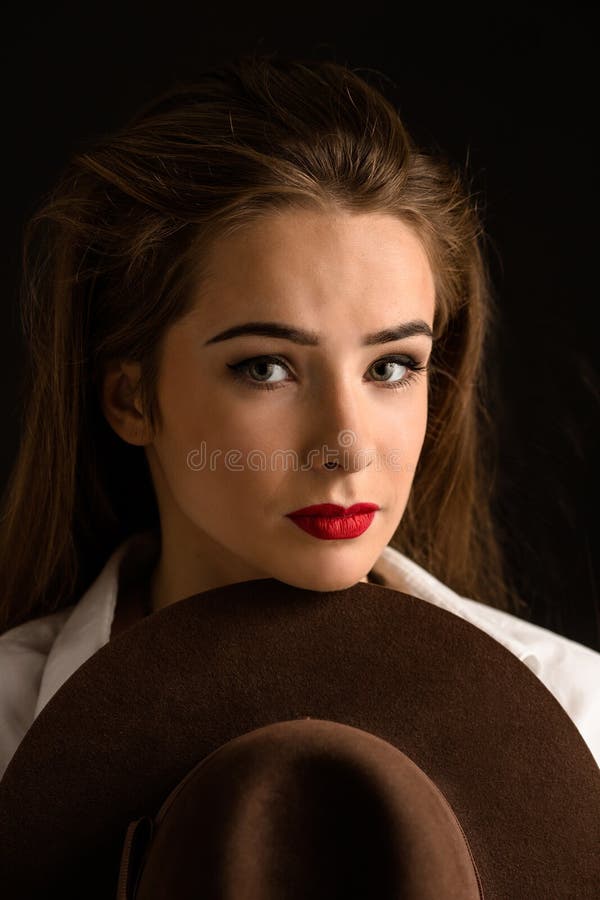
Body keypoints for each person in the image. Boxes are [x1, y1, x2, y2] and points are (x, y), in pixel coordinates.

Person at [0, 52, 598, 783]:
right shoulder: (11, 737)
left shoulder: (580, 722)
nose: (346, 448)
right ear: (131, 398)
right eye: (267, 367)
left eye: (391, 367)